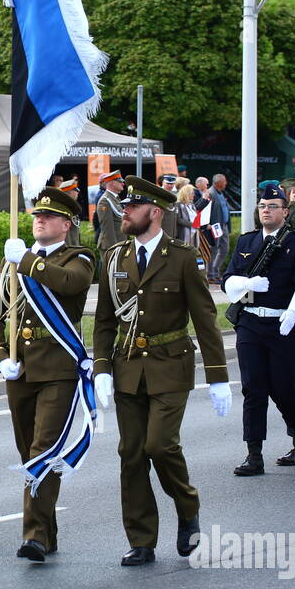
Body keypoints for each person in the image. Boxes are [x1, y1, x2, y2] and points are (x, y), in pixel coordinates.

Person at [93, 176, 231, 565]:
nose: (125, 213)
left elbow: (206, 320)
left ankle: (187, 505)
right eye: (125, 207)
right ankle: (141, 539)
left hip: (170, 365)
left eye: (133, 208)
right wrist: (102, 367)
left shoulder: (183, 257)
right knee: (131, 453)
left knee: (159, 445)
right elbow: (104, 320)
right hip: (126, 368)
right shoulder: (114, 257)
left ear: (154, 212)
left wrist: (218, 377)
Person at [0, 187, 94, 562]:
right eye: (35, 216)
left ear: (66, 224)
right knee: (28, 450)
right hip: (21, 370)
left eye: (48, 216)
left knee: (42, 452)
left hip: (57, 369)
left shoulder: (78, 257)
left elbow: (69, 284)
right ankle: (48, 530)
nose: (39, 220)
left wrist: (27, 260)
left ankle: (34, 536)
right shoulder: (12, 262)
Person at [223, 183, 295, 475]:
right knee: (253, 388)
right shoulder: (247, 241)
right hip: (250, 322)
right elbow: (228, 279)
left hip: (282, 325)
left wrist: (293, 313)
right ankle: (254, 453)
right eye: (262, 206)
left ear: (285, 212)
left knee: (283, 388)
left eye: (273, 206)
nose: (266, 211)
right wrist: (246, 284)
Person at [205, 174, 232, 284]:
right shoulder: (211, 193)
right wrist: (208, 224)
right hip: (215, 226)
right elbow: (205, 209)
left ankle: (215, 272)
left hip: (223, 226)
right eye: (224, 181)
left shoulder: (220, 193)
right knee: (214, 250)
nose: (226, 183)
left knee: (224, 249)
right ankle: (211, 275)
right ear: (218, 182)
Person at [95, 171, 127, 259]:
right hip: (111, 246)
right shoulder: (105, 201)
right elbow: (107, 229)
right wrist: (114, 249)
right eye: (120, 181)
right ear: (112, 182)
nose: (123, 183)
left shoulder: (114, 198)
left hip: (120, 244)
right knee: (111, 272)